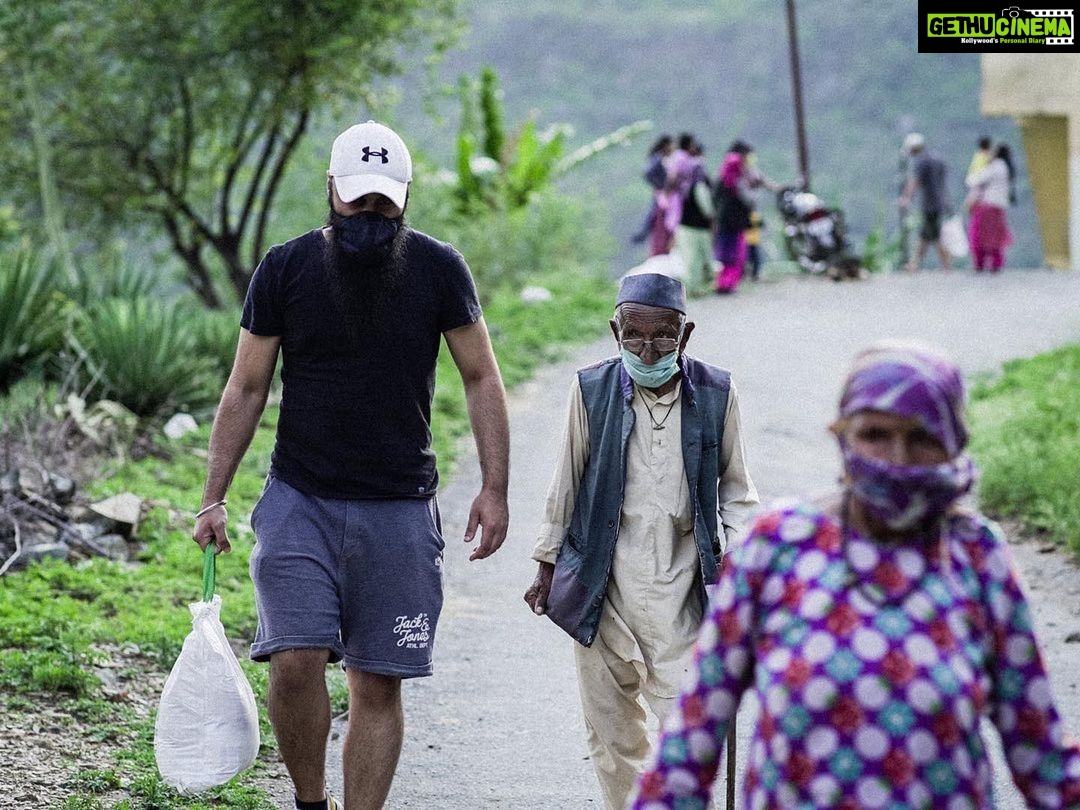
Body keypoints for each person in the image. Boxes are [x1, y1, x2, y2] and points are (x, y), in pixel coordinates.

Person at [192, 121, 510, 810]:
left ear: (405, 198)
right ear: (332, 189)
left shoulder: (438, 268)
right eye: (358, 201)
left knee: (376, 681)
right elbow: (246, 386)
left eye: (384, 204)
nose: (370, 216)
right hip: (299, 497)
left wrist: (494, 488)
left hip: (398, 507)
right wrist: (211, 497)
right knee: (295, 660)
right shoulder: (286, 268)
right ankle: (311, 802)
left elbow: (481, 376)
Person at [630, 341, 1080, 809]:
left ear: (954, 444)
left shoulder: (976, 556)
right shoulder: (775, 550)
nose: (897, 459)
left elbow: (1043, 758)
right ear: (841, 434)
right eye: (876, 434)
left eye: (923, 438)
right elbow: (688, 748)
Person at [522, 272, 759, 810]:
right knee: (611, 735)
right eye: (634, 336)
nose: (648, 349)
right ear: (615, 332)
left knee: (688, 730)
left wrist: (741, 566)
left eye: (663, 338)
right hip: (601, 585)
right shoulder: (590, 390)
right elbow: (566, 483)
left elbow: (738, 493)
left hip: (681, 587)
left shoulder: (718, 392)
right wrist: (545, 563)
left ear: (686, 335)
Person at [714, 141, 775, 294]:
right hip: (736, 222)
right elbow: (749, 198)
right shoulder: (739, 180)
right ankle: (728, 284)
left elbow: (715, 197)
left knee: (726, 255)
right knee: (736, 255)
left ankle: (723, 283)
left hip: (724, 221)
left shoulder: (724, 179)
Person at [899, 133, 952, 273]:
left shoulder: (921, 161)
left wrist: (906, 198)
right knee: (927, 234)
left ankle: (944, 263)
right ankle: (915, 264)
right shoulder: (937, 159)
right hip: (940, 202)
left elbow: (914, 181)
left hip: (930, 203)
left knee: (933, 235)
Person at [672, 139, 717, 293]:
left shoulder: (687, 184)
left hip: (691, 226)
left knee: (697, 259)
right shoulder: (698, 183)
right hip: (693, 227)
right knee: (693, 260)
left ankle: (695, 288)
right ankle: (692, 289)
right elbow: (707, 208)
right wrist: (711, 218)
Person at [966, 143, 1015, 273]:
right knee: (995, 237)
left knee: (979, 236)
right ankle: (996, 263)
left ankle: (979, 263)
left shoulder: (995, 166)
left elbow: (973, 181)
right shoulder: (1005, 168)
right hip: (998, 207)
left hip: (987, 206)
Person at [632, 134, 674, 249]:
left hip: (663, 193)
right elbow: (647, 173)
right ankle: (641, 236)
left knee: (654, 217)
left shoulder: (661, 158)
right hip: (661, 194)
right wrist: (660, 185)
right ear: (665, 145)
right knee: (653, 217)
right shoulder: (658, 158)